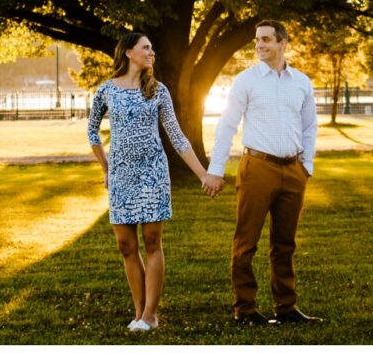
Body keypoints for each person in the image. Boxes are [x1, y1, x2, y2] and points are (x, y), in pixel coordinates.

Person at [88, 32, 225, 333]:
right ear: (128, 52)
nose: (151, 53)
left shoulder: (158, 90)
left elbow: (177, 137)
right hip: (121, 175)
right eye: (146, 47)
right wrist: (106, 168)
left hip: (153, 173)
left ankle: (150, 315)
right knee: (126, 245)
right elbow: (91, 132)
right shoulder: (106, 91)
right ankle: (138, 311)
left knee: (151, 242)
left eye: (152, 48)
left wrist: (203, 174)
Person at [206, 20, 322, 325]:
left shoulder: (302, 82)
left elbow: (310, 126)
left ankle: (286, 308)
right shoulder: (246, 81)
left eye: (266, 39)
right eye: (257, 40)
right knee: (246, 243)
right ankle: (244, 310)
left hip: (293, 170)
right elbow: (227, 125)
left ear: (283, 43)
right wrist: (216, 170)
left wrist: (305, 165)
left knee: (285, 244)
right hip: (257, 168)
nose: (259, 45)